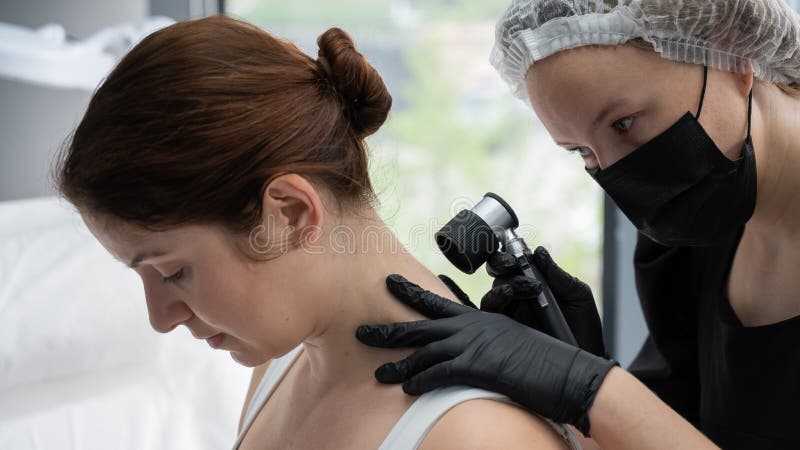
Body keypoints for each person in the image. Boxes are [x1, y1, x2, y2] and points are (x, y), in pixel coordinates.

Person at [51, 15, 586, 450]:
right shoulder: (280, 365)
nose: (160, 319)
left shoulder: (477, 438)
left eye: (173, 272)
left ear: (290, 214)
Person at [356, 1, 800, 449]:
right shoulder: (688, 235)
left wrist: (590, 389)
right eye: (582, 152)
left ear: (731, 55)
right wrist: (580, 365)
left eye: (623, 124)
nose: (617, 175)